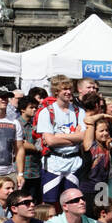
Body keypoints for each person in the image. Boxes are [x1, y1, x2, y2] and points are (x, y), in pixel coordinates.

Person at [35, 76, 88, 207]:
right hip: (53, 163)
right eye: (64, 89)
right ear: (56, 91)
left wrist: (58, 136)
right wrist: (73, 137)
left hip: (73, 163)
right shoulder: (47, 112)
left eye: (70, 88)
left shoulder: (78, 111)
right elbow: (50, 141)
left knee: (73, 202)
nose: (68, 92)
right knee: (50, 204)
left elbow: (83, 137)